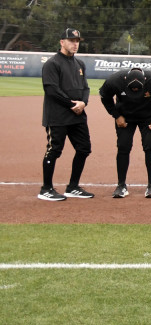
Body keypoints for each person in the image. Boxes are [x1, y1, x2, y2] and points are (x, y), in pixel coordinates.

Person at [39, 27, 94, 201]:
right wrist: (72, 104)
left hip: (77, 116)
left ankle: (72, 187)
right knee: (54, 150)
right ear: (62, 42)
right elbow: (51, 90)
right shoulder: (52, 63)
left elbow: (85, 87)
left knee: (84, 148)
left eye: (77, 41)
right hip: (57, 116)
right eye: (71, 41)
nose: (75, 44)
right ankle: (46, 189)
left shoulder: (80, 64)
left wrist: (84, 102)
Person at [98, 65, 151, 198]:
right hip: (125, 117)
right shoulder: (115, 80)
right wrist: (116, 115)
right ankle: (121, 185)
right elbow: (104, 97)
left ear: (145, 80)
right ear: (125, 80)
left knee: (150, 146)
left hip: (148, 117)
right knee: (123, 147)